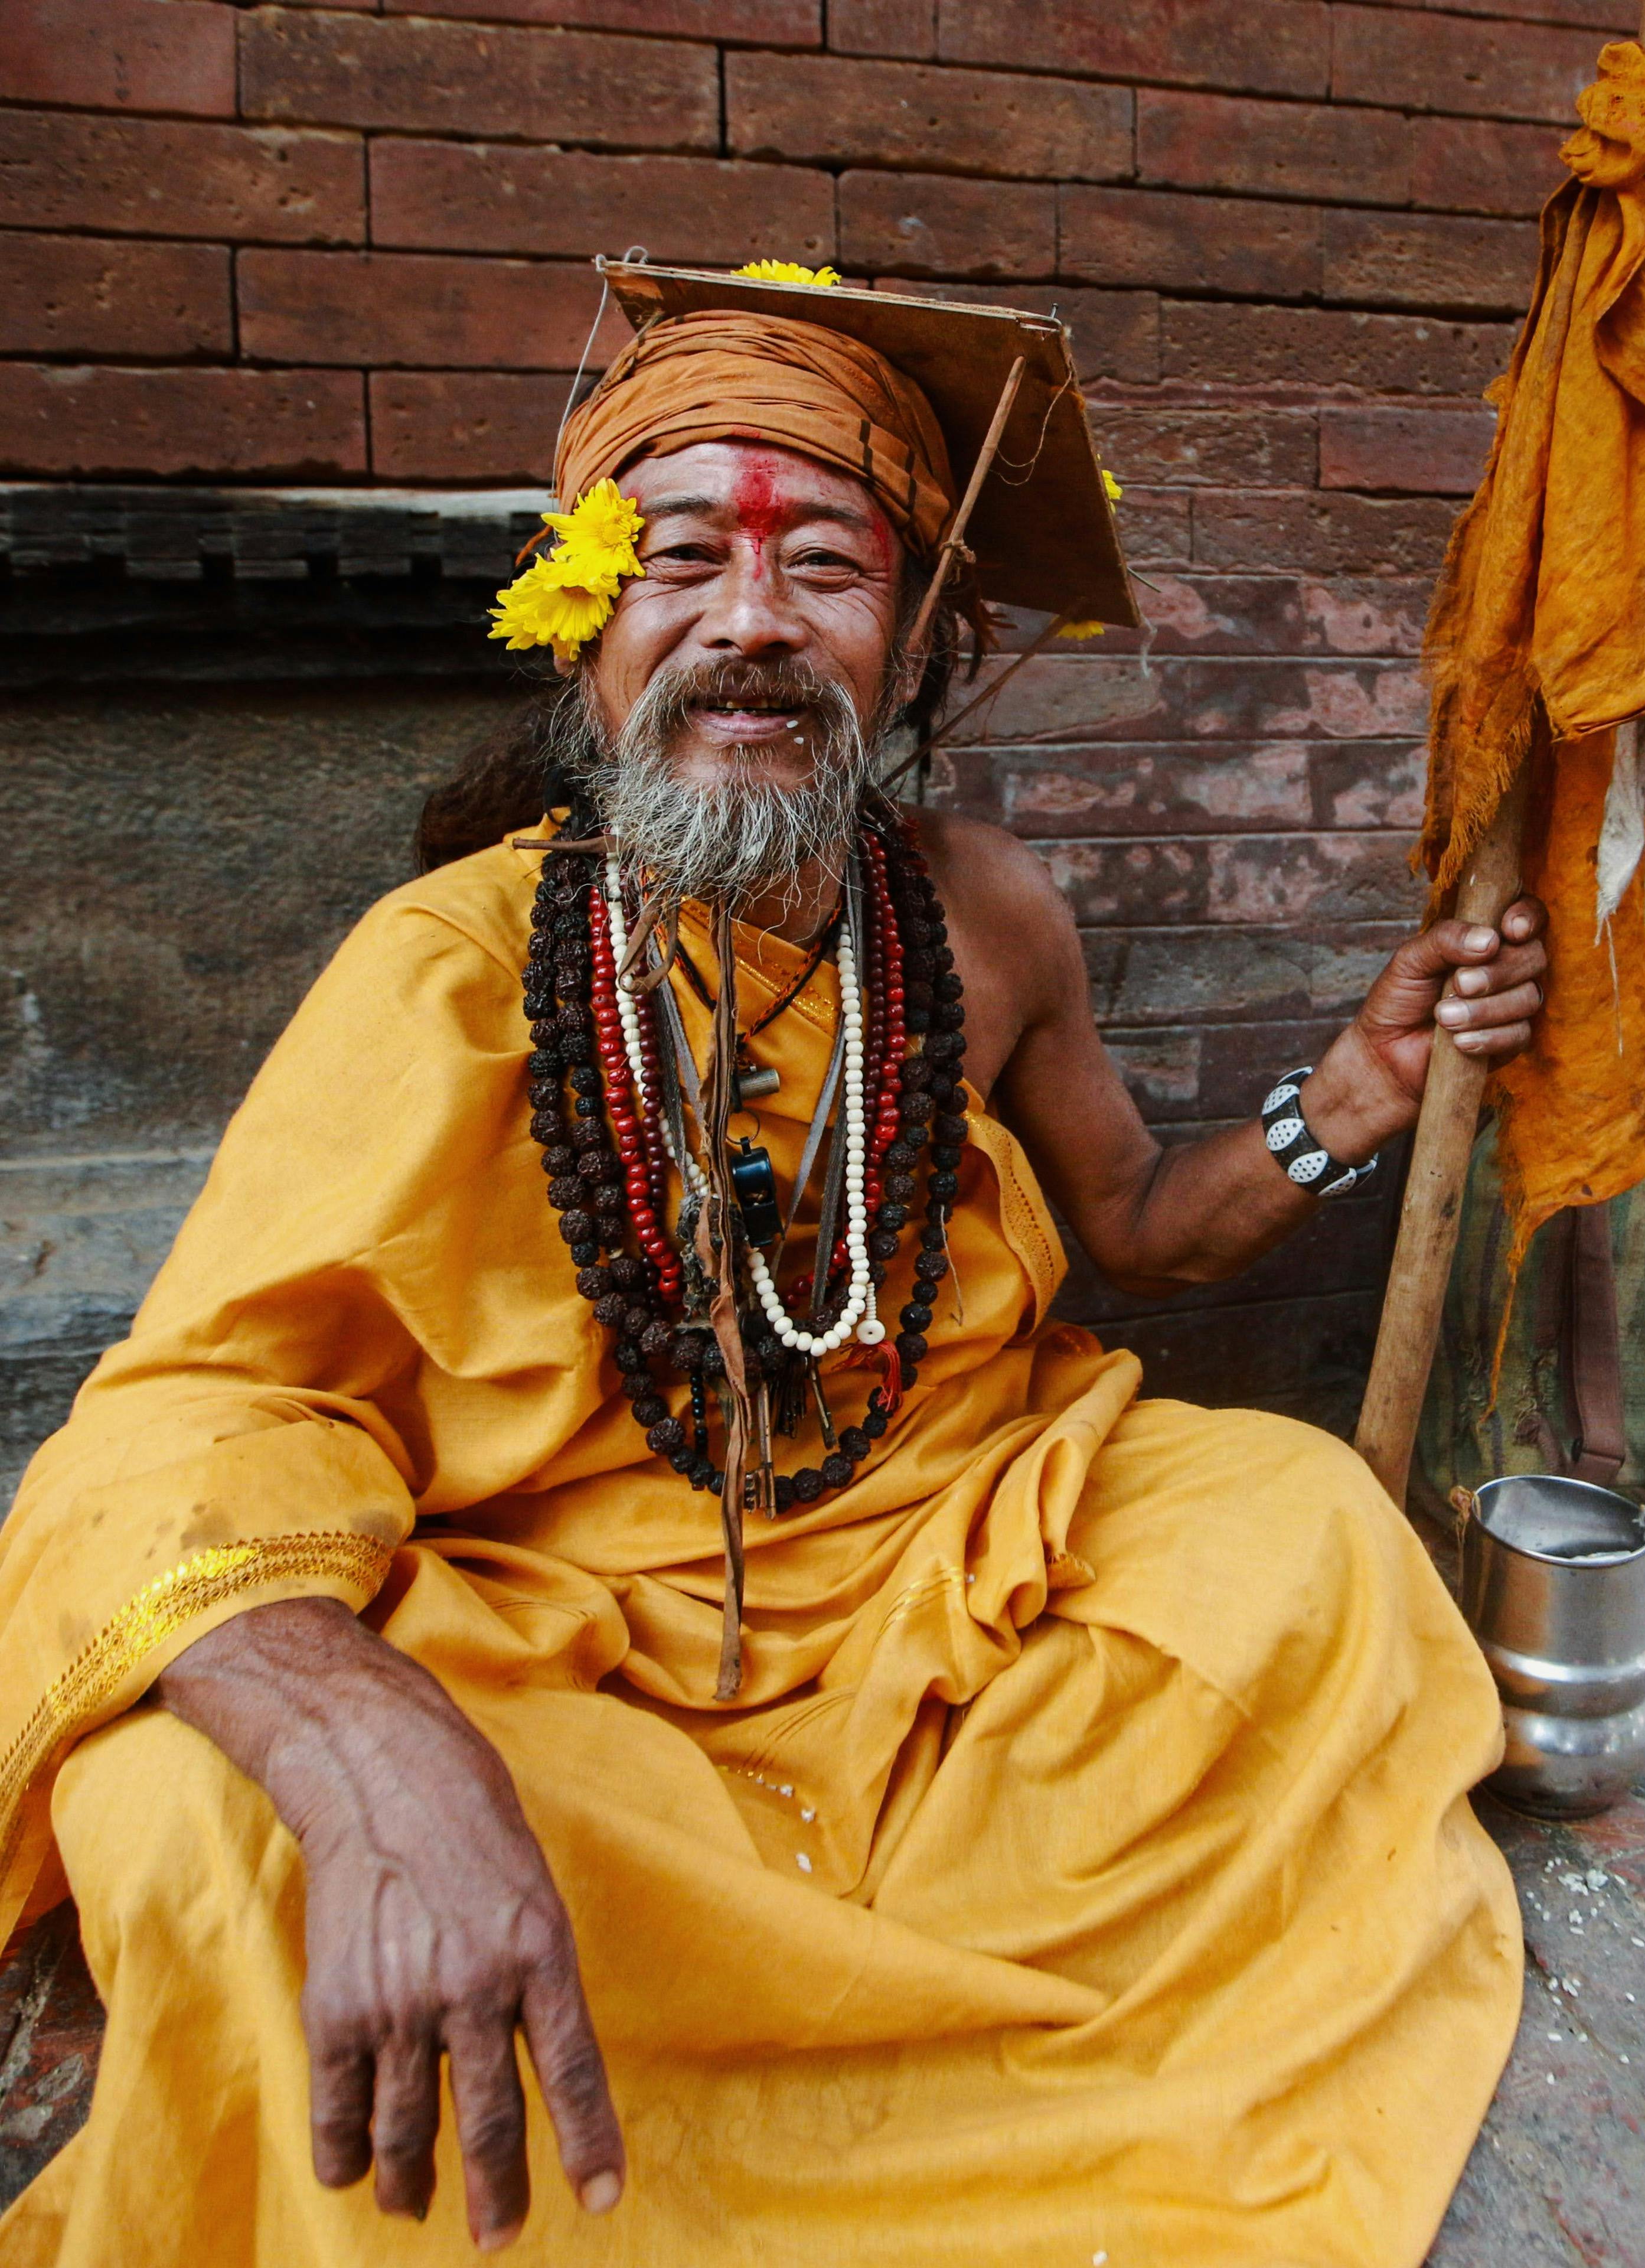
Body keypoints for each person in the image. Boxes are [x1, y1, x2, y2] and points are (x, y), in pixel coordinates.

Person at [0, 265, 1548, 2268]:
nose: (750, 618)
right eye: (679, 566)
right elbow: (201, 1407)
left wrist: (1352, 1093)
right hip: (567, 1631)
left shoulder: (985, 921)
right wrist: (379, 1750)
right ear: (590, 633)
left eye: (825, 562)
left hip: (949, 1557)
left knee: (1306, 1534)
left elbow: (1138, 1238)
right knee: (205, 1816)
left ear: (915, 646)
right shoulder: (456, 963)